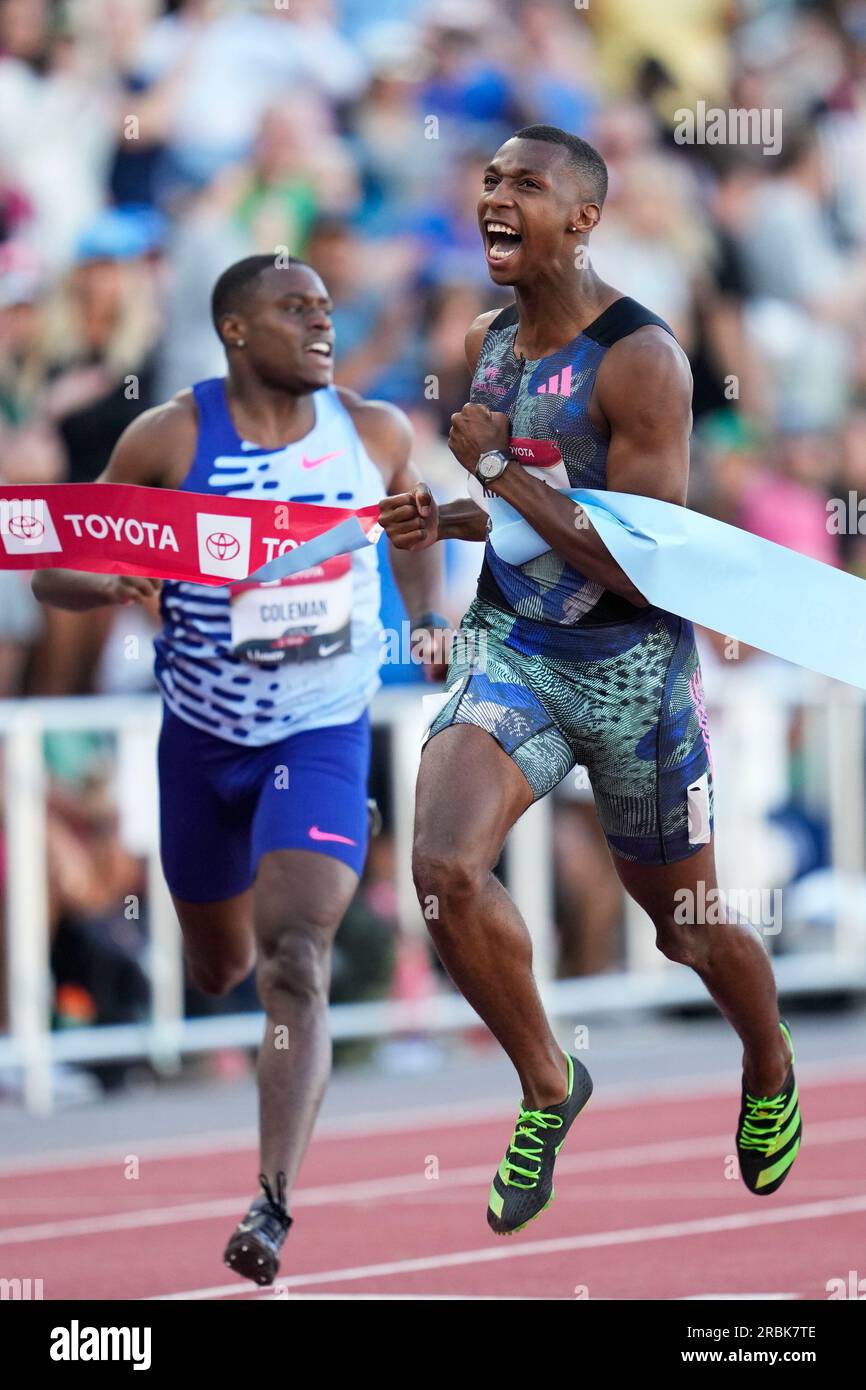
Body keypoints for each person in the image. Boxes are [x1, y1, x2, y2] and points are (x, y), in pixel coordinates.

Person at [379, 125, 800, 1237]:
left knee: (688, 930)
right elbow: (531, 516)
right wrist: (455, 512)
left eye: (524, 183)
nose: (493, 198)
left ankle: (764, 1055)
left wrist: (493, 471)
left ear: (583, 217)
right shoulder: (487, 337)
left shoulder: (642, 359)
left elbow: (642, 563)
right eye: (487, 180)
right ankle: (547, 1085)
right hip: (512, 651)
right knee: (441, 868)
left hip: (629, 674)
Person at [33, 254, 446, 1283]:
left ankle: (270, 1203)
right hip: (202, 741)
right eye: (292, 309)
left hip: (318, 735)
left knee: (294, 955)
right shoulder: (170, 435)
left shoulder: (376, 431)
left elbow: (413, 526)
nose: (320, 322)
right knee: (219, 965)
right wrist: (112, 578)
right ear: (232, 330)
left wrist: (430, 615)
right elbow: (54, 568)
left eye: (325, 308)